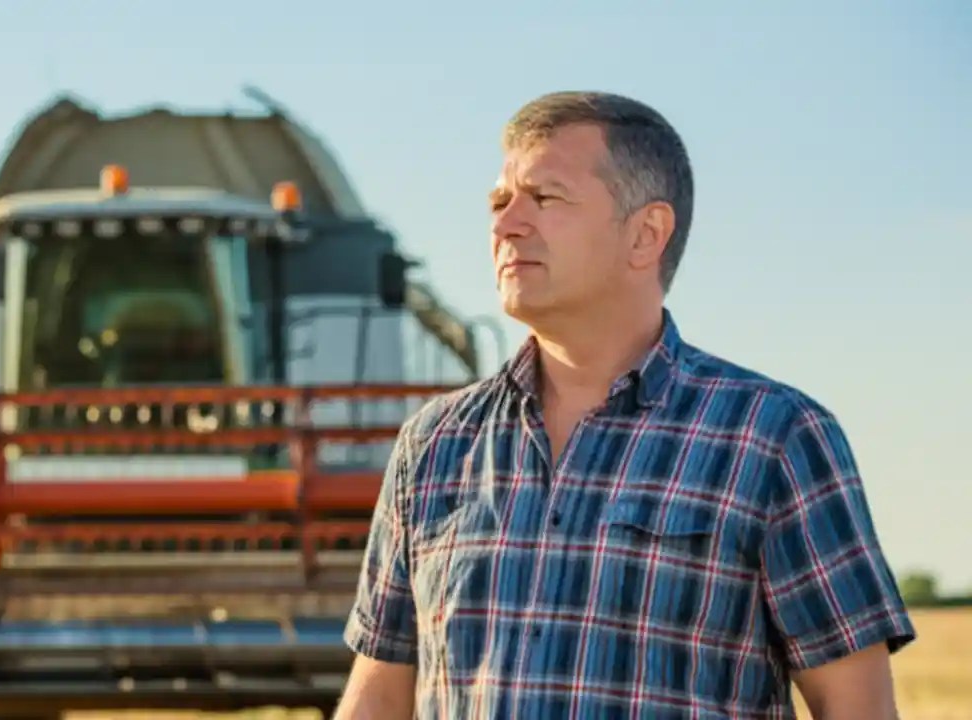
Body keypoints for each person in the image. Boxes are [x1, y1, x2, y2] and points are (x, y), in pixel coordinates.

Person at [333, 91, 915, 719]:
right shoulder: (434, 445)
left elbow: (856, 706)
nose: (506, 225)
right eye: (500, 203)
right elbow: (379, 698)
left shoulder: (772, 438)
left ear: (646, 234)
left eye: (545, 198)